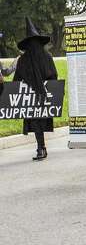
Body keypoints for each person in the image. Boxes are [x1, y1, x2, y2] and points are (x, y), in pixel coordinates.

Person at [13, 18, 58, 162]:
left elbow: (16, 80)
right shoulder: (47, 57)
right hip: (44, 96)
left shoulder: (23, 60)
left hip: (31, 97)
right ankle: (41, 147)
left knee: (36, 121)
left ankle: (41, 147)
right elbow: (53, 76)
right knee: (39, 121)